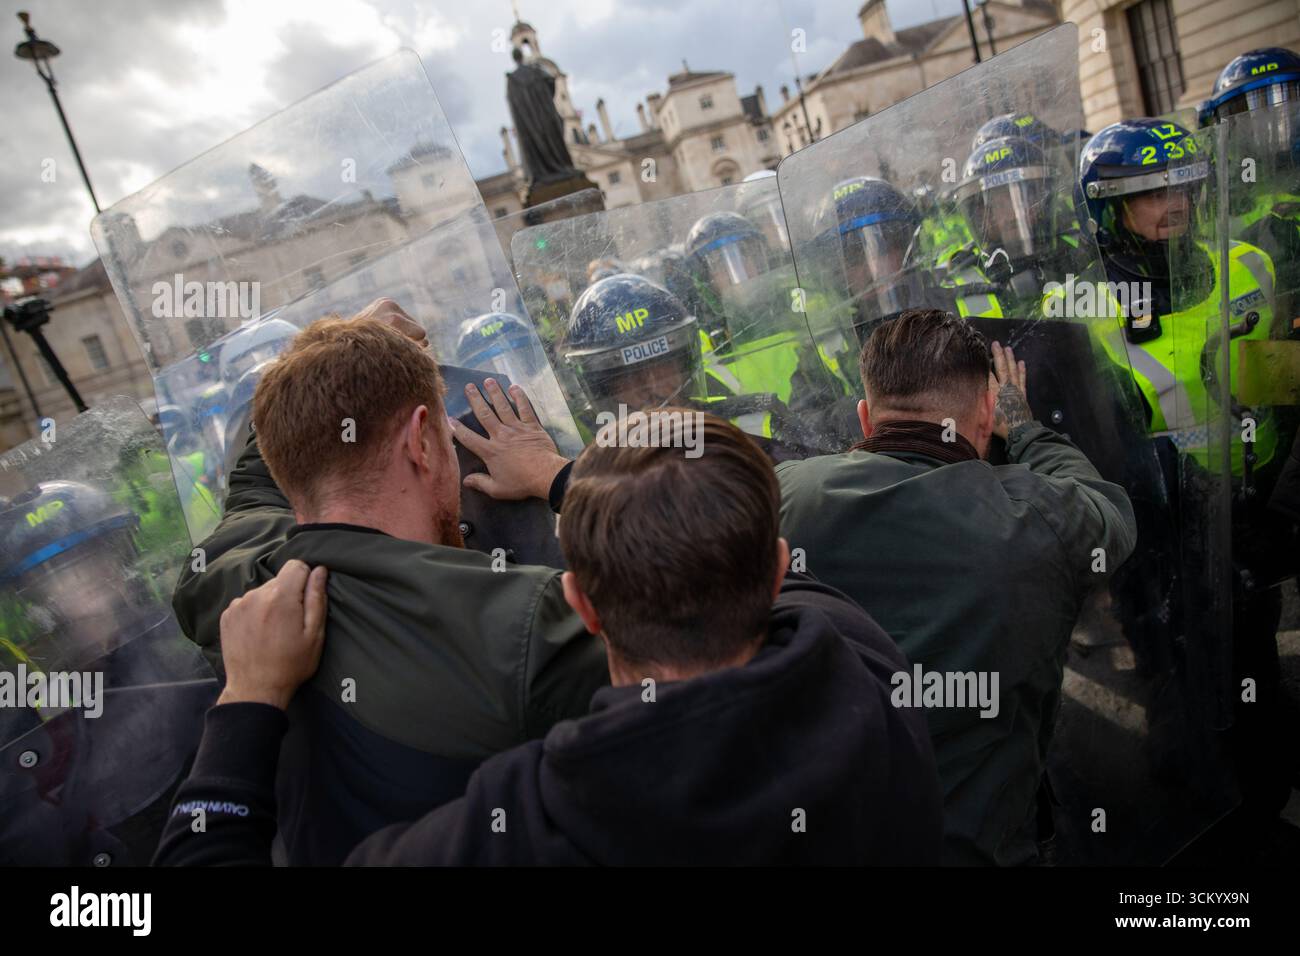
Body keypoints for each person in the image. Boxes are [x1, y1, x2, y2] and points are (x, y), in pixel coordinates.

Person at [155, 414, 945, 866]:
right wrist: (564, 476)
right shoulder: (872, 676)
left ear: (579, 603)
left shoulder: (529, 824)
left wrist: (248, 700)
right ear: (777, 572)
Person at [169, 297, 608, 865]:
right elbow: (723, 603)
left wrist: (318, 392)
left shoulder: (243, 593)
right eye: (449, 445)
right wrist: (558, 476)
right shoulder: (532, 621)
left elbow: (250, 504)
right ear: (421, 442)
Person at [773, 309, 1138, 865]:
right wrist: (1029, 429)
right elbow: (1110, 511)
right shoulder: (1035, 515)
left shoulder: (782, 496)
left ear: (866, 418)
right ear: (990, 414)